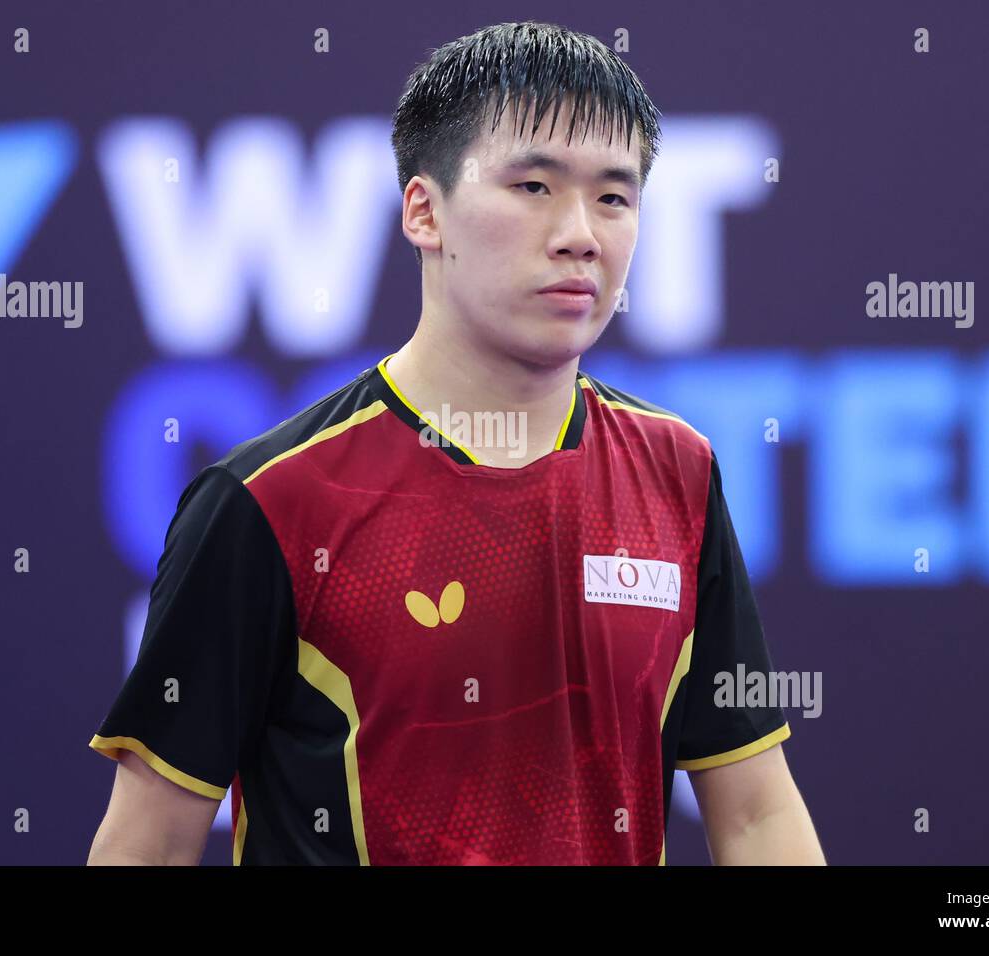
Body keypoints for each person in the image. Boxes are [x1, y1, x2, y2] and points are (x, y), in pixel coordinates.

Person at [87, 20, 824, 866]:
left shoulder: (679, 473)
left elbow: (758, 816)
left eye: (614, 197)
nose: (582, 232)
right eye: (534, 186)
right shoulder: (269, 501)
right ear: (424, 210)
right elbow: (148, 847)